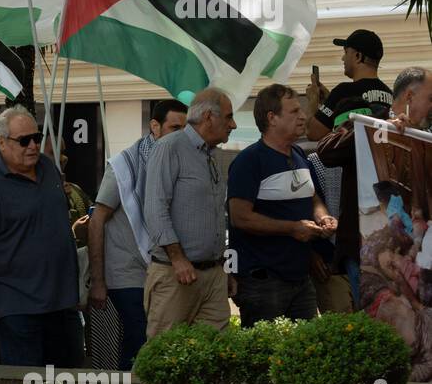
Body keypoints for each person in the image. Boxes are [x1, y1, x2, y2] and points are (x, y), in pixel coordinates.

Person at [0, 107, 83, 366]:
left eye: (36, 138)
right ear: (2, 143)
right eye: (24, 140)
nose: (32, 146)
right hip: (18, 308)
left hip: (63, 303)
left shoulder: (48, 168)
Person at [88, 99, 188, 369]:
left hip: (162, 270)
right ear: (154, 126)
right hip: (127, 273)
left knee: (160, 341)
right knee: (141, 341)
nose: (182, 134)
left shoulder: (181, 161)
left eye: (185, 128)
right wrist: (98, 280)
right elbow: (97, 220)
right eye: (175, 127)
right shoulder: (124, 165)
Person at [227, 85, 337, 327]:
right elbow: (240, 218)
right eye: (294, 111)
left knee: (304, 353)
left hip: (301, 279)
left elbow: (311, 196)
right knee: (264, 360)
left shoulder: (298, 153)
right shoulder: (249, 161)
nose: (304, 116)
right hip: (263, 283)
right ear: (271, 118)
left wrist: (323, 217)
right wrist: (292, 228)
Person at [142, 88, 237, 338]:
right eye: (228, 117)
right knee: (164, 356)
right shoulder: (169, 147)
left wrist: (221, 268)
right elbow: (154, 208)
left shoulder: (214, 154)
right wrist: (177, 258)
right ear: (208, 117)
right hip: (176, 274)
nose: (233, 124)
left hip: (213, 274)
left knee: (215, 355)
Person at [310, 31, 393, 307]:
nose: (343, 58)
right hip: (384, 212)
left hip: (351, 212)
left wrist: (316, 104)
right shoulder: (389, 95)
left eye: (345, 52)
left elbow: (315, 133)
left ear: (357, 56)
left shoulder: (345, 93)